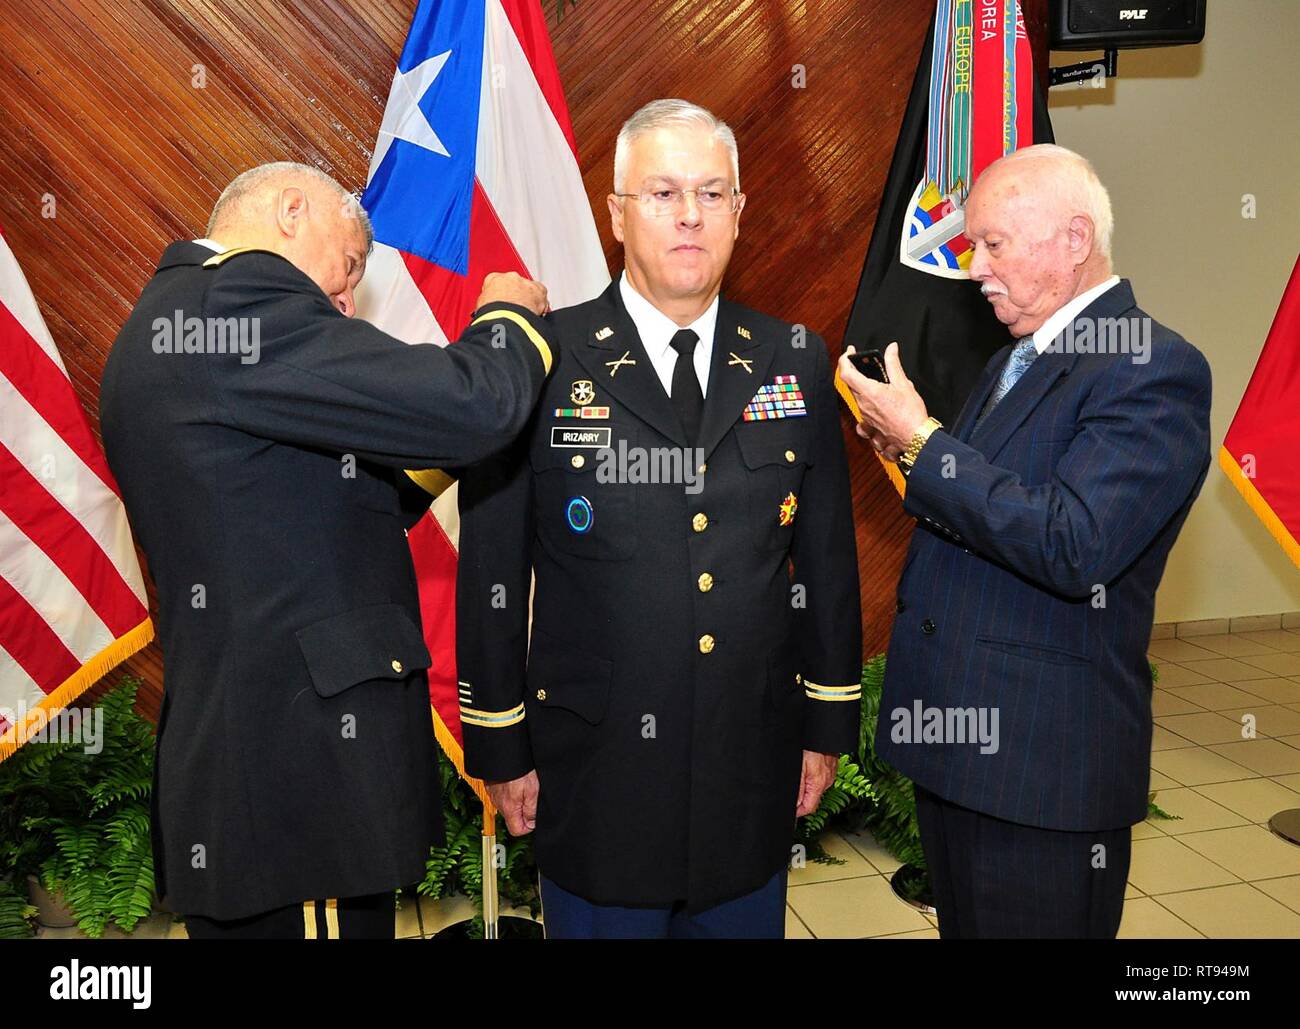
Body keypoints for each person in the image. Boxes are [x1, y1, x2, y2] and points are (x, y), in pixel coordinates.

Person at [98, 161, 553, 939]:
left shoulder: (176, 319)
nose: (344, 305)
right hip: (303, 786)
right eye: (346, 272)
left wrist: (432, 451)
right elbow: (476, 402)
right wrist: (508, 322)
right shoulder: (235, 302)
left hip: (257, 771)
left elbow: (327, 504)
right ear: (288, 210)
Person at [456, 100, 862, 939]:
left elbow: (826, 559)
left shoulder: (792, 357)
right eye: (662, 192)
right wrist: (500, 740)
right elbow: (492, 571)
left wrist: (825, 723)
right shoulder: (543, 357)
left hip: (748, 771)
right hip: (596, 776)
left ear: (740, 214)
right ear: (615, 214)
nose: (689, 215)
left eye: (712, 194)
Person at [837, 144, 1212, 938]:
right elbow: (989, 513)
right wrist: (908, 454)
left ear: (1075, 240)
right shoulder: (1018, 358)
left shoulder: (1152, 366)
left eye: (993, 243)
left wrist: (929, 443)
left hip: (1043, 772)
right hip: (964, 757)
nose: (975, 268)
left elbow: (1075, 543)